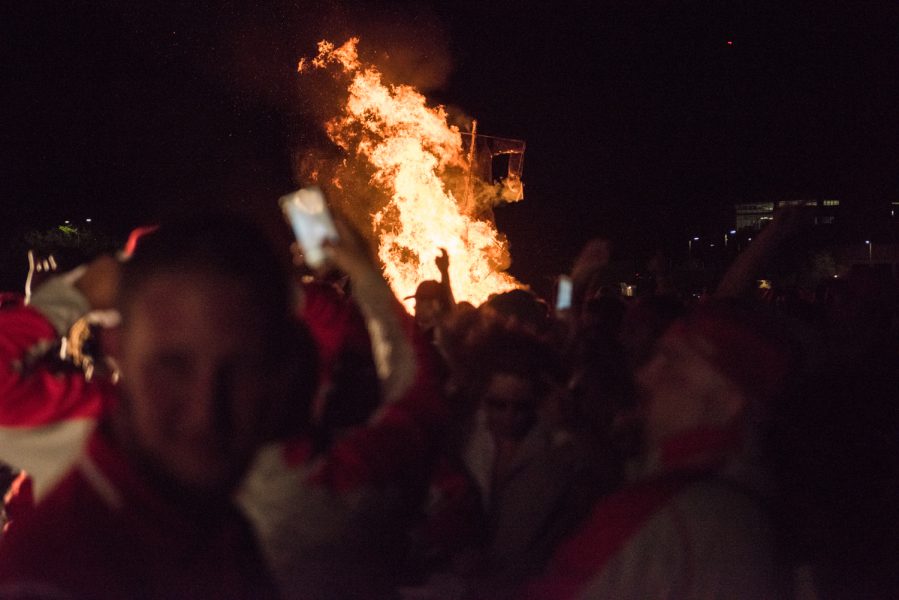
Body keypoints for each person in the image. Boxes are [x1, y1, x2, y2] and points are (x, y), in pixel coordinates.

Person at [0, 214, 317, 599]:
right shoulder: (87, 446)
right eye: (172, 366)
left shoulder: (232, 536)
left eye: (242, 368)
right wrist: (72, 295)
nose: (205, 412)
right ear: (117, 349)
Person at [523, 302, 794, 599]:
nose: (644, 375)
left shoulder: (659, 512)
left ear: (731, 399)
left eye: (673, 362)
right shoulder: (761, 500)